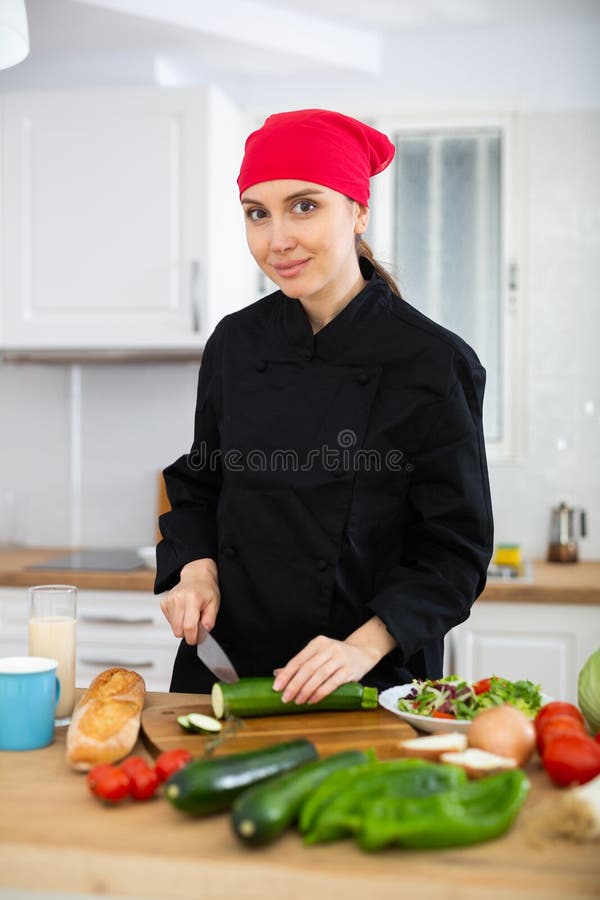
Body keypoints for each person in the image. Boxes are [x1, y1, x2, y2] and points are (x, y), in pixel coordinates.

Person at [155, 108, 493, 704]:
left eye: (304, 206)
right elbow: (200, 485)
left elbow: (454, 550)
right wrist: (196, 568)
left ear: (359, 211)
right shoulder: (235, 343)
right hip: (225, 669)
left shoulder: (433, 363)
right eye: (257, 213)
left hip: (363, 682)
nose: (277, 239)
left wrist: (361, 648)